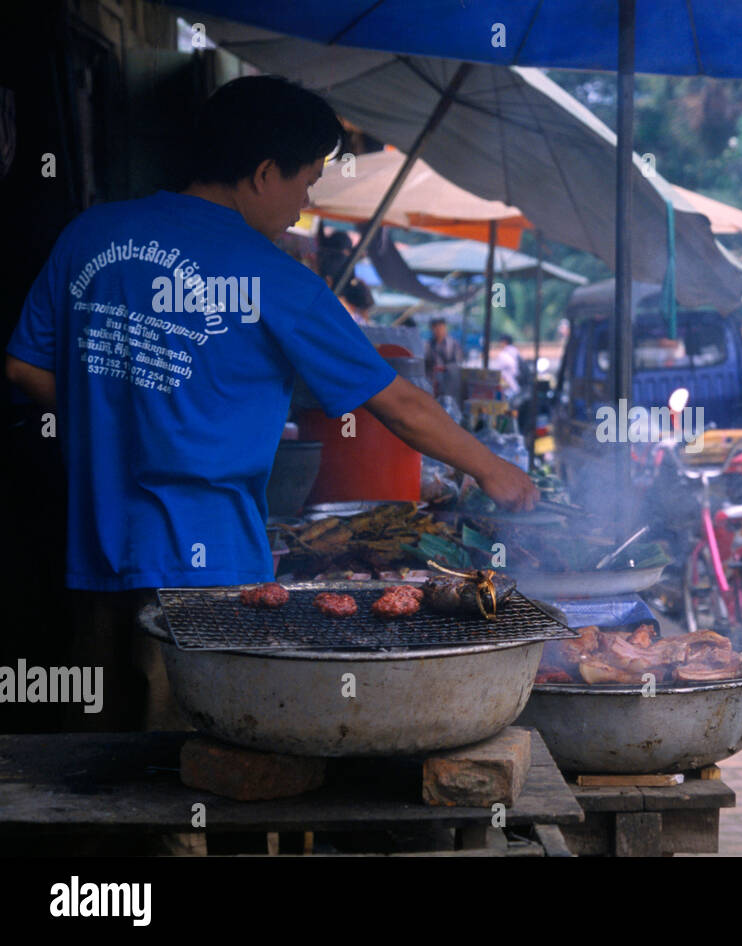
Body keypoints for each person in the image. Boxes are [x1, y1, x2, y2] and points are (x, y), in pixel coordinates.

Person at [3, 75, 538, 730]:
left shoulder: (93, 235)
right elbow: (398, 401)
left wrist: (117, 410)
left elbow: (24, 367)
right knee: (191, 758)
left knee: (99, 750)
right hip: (209, 566)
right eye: (306, 181)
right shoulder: (275, 277)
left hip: (91, 546)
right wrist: (494, 469)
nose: (305, 204)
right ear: (262, 173)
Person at [426, 317, 464, 397]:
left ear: (445, 328)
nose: (438, 330)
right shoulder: (429, 345)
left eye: (441, 327)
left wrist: (445, 368)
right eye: (435, 327)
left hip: (449, 382)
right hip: (433, 382)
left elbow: (458, 363)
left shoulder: (453, 345)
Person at [491, 333, 522, 398]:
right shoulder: (515, 352)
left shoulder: (504, 355)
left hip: (509, 387)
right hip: (516, 386)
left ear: (504, 342)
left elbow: (497, 371)